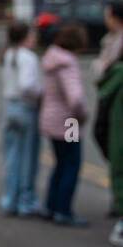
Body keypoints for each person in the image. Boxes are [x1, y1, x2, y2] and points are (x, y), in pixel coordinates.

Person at [40, 22, 91, 227]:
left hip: (52, 119)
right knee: (72, 164)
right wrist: (83, 115)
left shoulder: (52, 58)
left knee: (60, 164)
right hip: (68, 121)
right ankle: (63, 211)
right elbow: (76, 98)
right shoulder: (68, 63)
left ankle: (51, 206)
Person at [0, 21, 42, 217]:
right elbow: (26, 85)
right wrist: (40, 93)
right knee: (28, 157)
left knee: (12, 156)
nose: (34, 38)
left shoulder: (8, 54)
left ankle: (10, 199)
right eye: (32, 35)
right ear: (25, 37)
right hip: (25, 107)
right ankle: (26, 201)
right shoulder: (29, 57)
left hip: (10, 108)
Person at [90, 0, 123, 245]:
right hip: (67, 120)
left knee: (69, 155)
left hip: (68, 122)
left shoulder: (115, 45)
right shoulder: (111, 41)